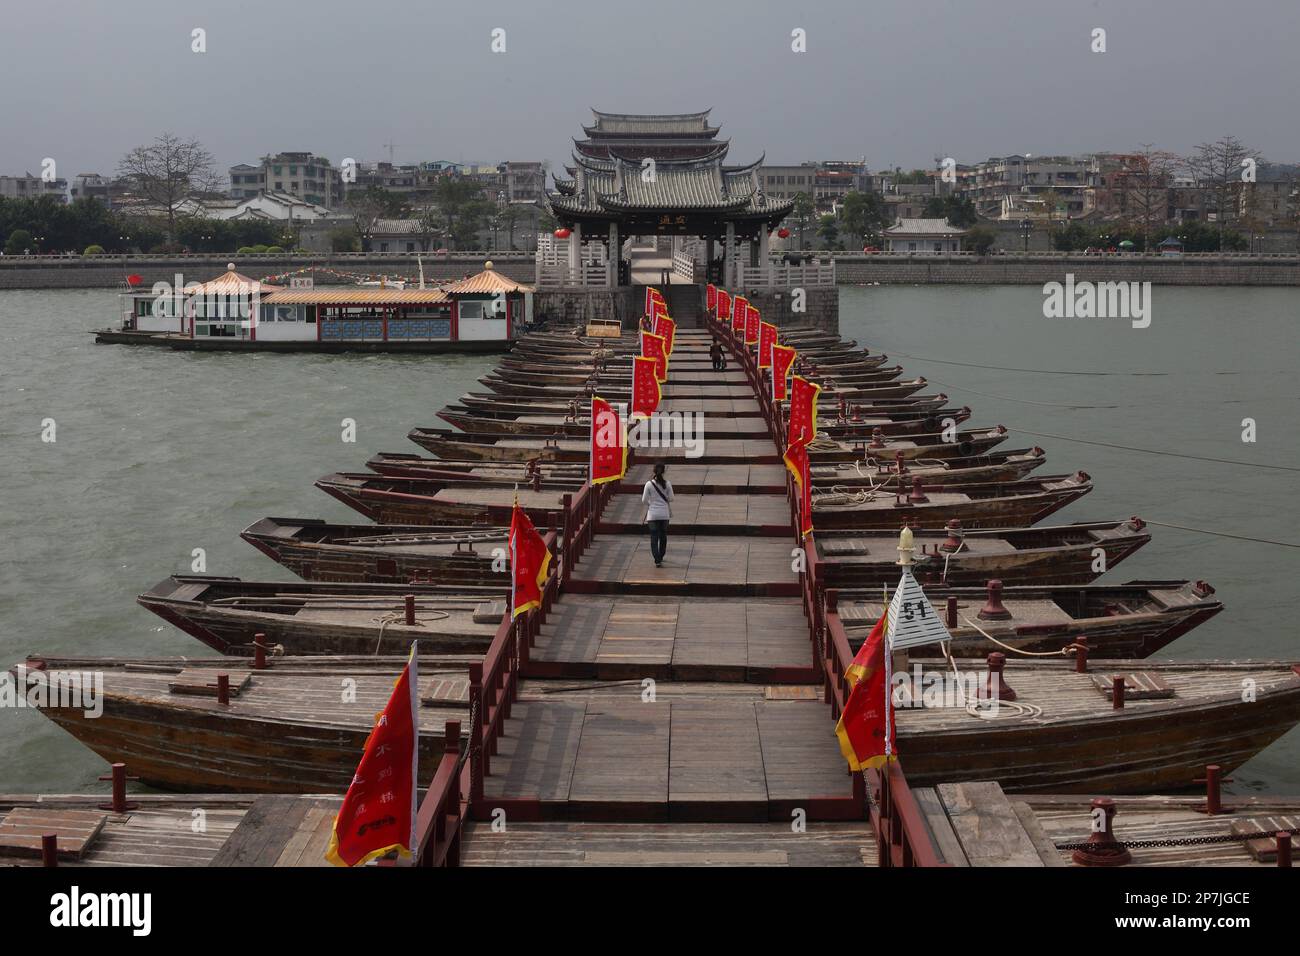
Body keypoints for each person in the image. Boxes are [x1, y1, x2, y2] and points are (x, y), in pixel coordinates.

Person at [641, 463, 674, 567]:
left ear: (654, 471)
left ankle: (657, 559)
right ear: (663, 471)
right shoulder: (667, 484)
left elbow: (644, 500)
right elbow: (672, 498)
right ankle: (661, 555)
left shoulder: (649, 484)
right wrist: (664, 501)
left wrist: (651, 503)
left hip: (653, 515)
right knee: (663, 536)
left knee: (654, 537)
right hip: (664, 514)